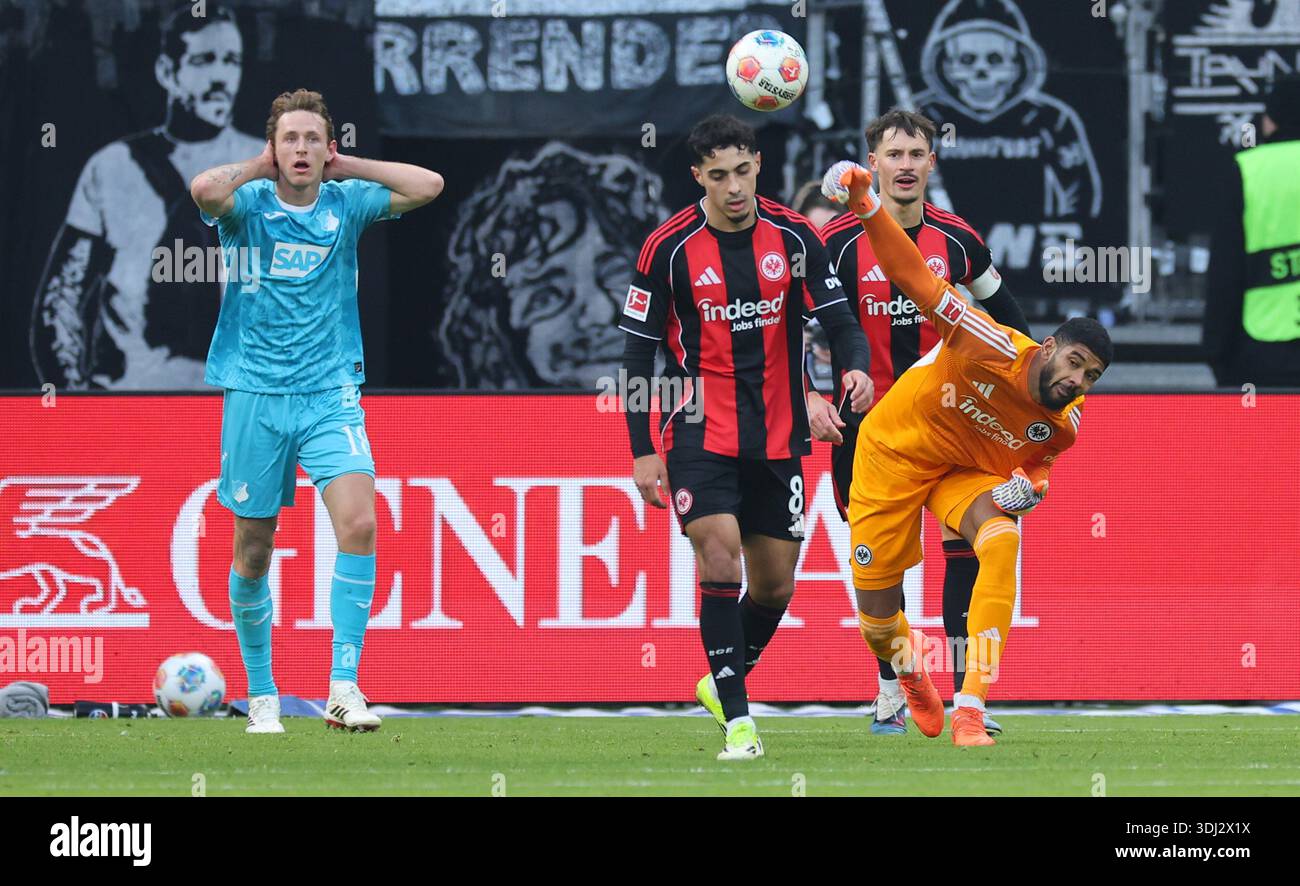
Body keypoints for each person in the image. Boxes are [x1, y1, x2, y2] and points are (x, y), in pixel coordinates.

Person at [822, 160, 1110, 746]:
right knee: (878, 623)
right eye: (1075, 363)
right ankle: (910, 676)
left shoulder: (1065, 422)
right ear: (1049, 348)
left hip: (961, 472)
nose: (1078, 380)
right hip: (891, 453)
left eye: (1092, 376)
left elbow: (1040, 466)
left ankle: (972, 708)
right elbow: (912, 275)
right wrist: (865, 204)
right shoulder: (984, 339)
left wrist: (1031, 488)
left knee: (1002, 538)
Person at [189, 88, 443, 733]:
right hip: (255, 394)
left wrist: (346, 165)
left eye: (312, 139)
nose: (301, 149)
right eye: (289, 139)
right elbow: (204, 191)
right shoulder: (246, 204)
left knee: (359, 523)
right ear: (273, 146)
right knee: (254, 546)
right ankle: (264, 695)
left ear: (327, 146)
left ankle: (344, 686)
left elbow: (430, 184)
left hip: (331, 393)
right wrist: (258, 165)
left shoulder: (345, 202)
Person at [620, 114, 872, 760]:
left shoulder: (794, 237)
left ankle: (720, 678)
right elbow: (636, 356)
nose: (733, 187)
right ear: (697, 175)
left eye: (742, 170)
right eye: (718, 175)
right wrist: (642, 448)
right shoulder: (666, 249)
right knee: (720, 558)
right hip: (699, 433)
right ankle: (740, 723)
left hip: (780, 437)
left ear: (757, 165)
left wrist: (856, 366)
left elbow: (841, 319)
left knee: (775, 587)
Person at [813, 109, 1030, 737]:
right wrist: (809, 396)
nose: (905, 164)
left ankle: (969, 701)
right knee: (882, 574)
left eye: (917, 153)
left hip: (957, 432)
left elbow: (1012, 325)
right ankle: (894, 679)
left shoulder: (959, 241)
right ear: (872, 163)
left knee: (968, 553)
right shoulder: (835, 243)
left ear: (932, 162)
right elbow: (789, 330)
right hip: (868, 433)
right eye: (893, 153)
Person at [33, 6, 264, 389]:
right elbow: (61, 300)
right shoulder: (113, 167)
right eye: (204, 60)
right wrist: (74, 408)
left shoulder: (268, 169)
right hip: (130, 409)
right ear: (167, 72)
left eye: (232, 61)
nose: (222, 76)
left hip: (238, 412)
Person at [1202, 74, 1300, 388]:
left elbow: (1226, 272)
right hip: (1265, 344)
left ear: (1270, 121)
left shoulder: (1247, 169)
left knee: (1271, 438)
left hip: (1263, 346)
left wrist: (1217, 350)